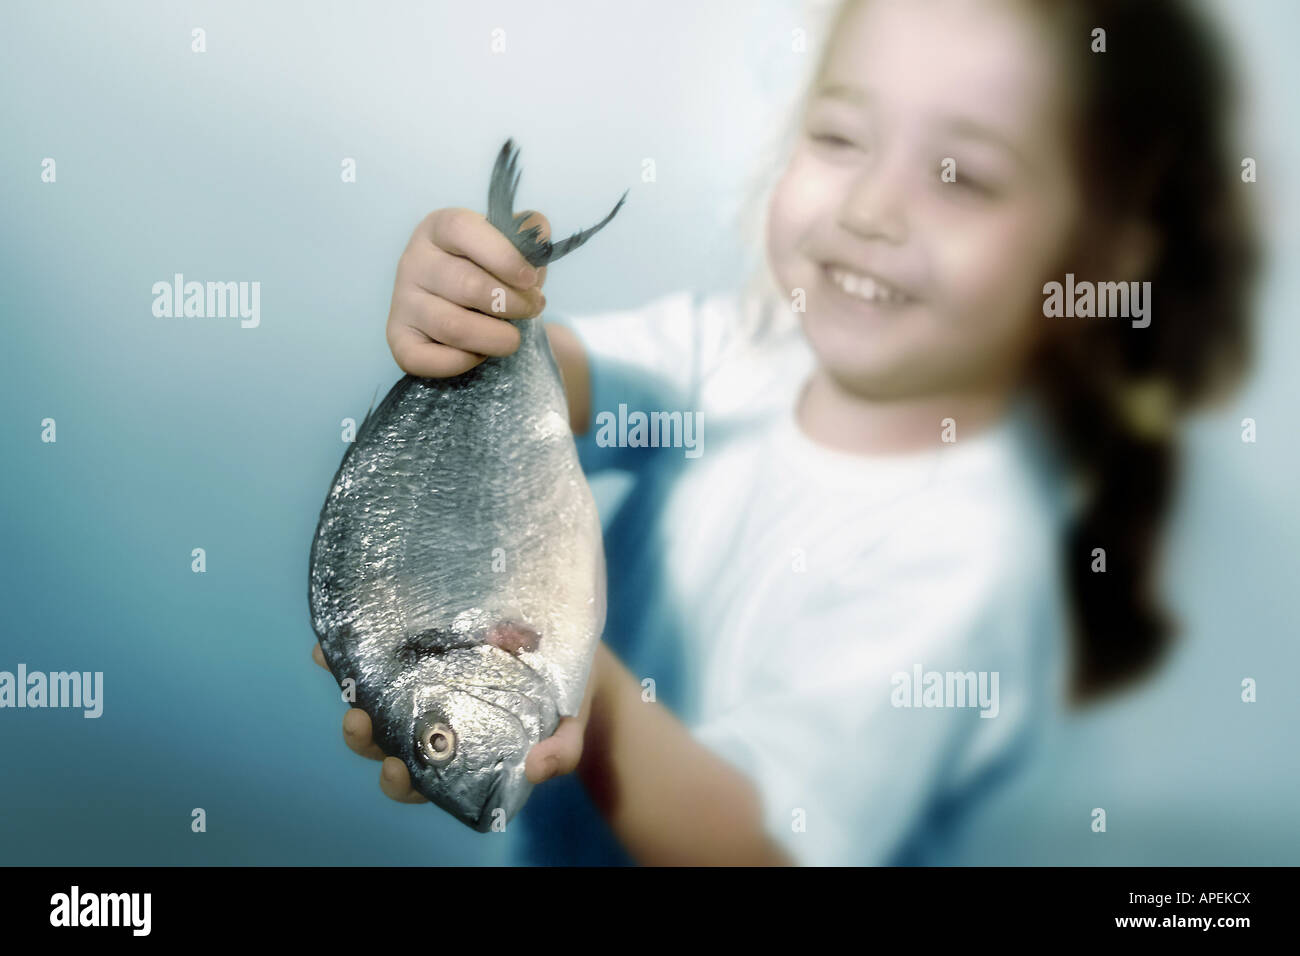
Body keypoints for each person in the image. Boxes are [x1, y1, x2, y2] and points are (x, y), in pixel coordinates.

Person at [312, 0, 1256, 865]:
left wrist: (560, 689)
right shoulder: (742, 355)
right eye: (841, 136)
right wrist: (467, 319)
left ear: (1100, 251)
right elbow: (555, 386)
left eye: (961, 176)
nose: (873, 210)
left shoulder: (970, 562)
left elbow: (767, 844)